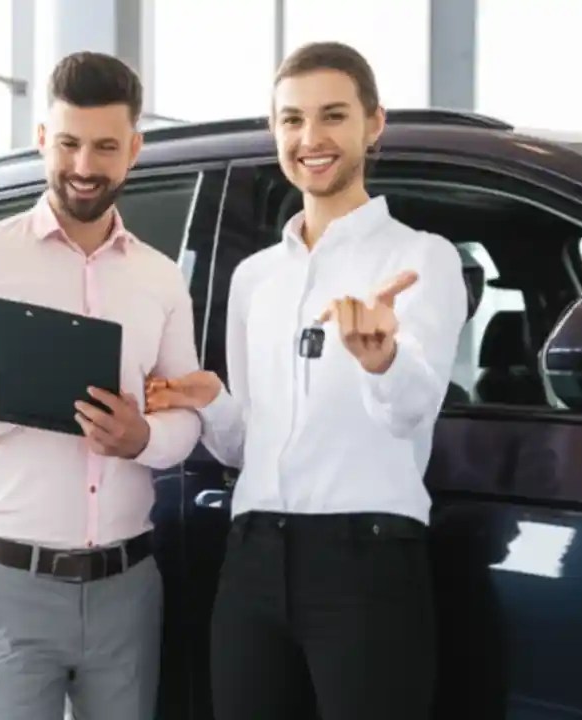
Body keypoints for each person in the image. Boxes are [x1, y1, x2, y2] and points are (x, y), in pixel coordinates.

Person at [146, 41, 467, 719]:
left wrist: (380, 358)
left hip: (368, 560)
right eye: (291, 119)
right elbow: (247, 447)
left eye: (332, 116)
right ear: (275, 130)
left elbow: (413, 412)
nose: (310, 138)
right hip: (252, 557)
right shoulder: (255, 277)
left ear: (373, 124)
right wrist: (213, 402)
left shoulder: (421, 258)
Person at [0, 51, 202, 720]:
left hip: (127, 587)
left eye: (105, 147)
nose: (84, 165)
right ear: (43, 138)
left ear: (133, 149)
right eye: (68, 143)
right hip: (13, 584)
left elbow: (184, 416)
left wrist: (141, 438)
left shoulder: (159, 278)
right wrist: (18, 397)